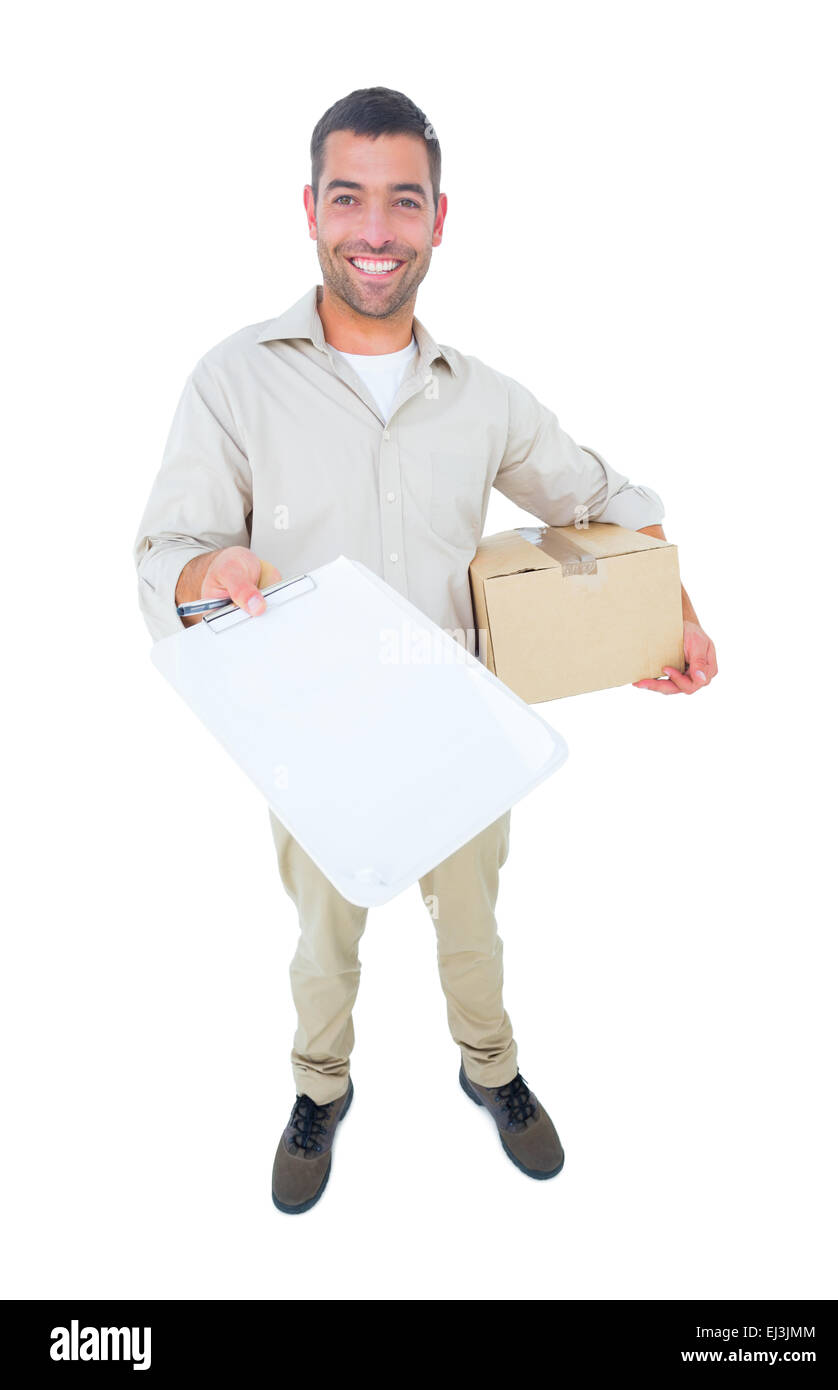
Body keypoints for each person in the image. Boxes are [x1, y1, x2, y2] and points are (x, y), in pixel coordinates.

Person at [133, 86, 718, 1216]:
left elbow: (604, 499)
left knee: (475, 928)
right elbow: (167, 548)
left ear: (439, 220)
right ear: (310, 208)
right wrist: (215, 574)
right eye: (349, 197)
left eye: (403, 202)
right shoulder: (234, 378)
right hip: (309, 735)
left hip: (461, 726)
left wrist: (673, 612)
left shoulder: (481, 395)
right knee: (321, 943)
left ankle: (488, 1068)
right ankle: (320, 1088)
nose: (375, 229)